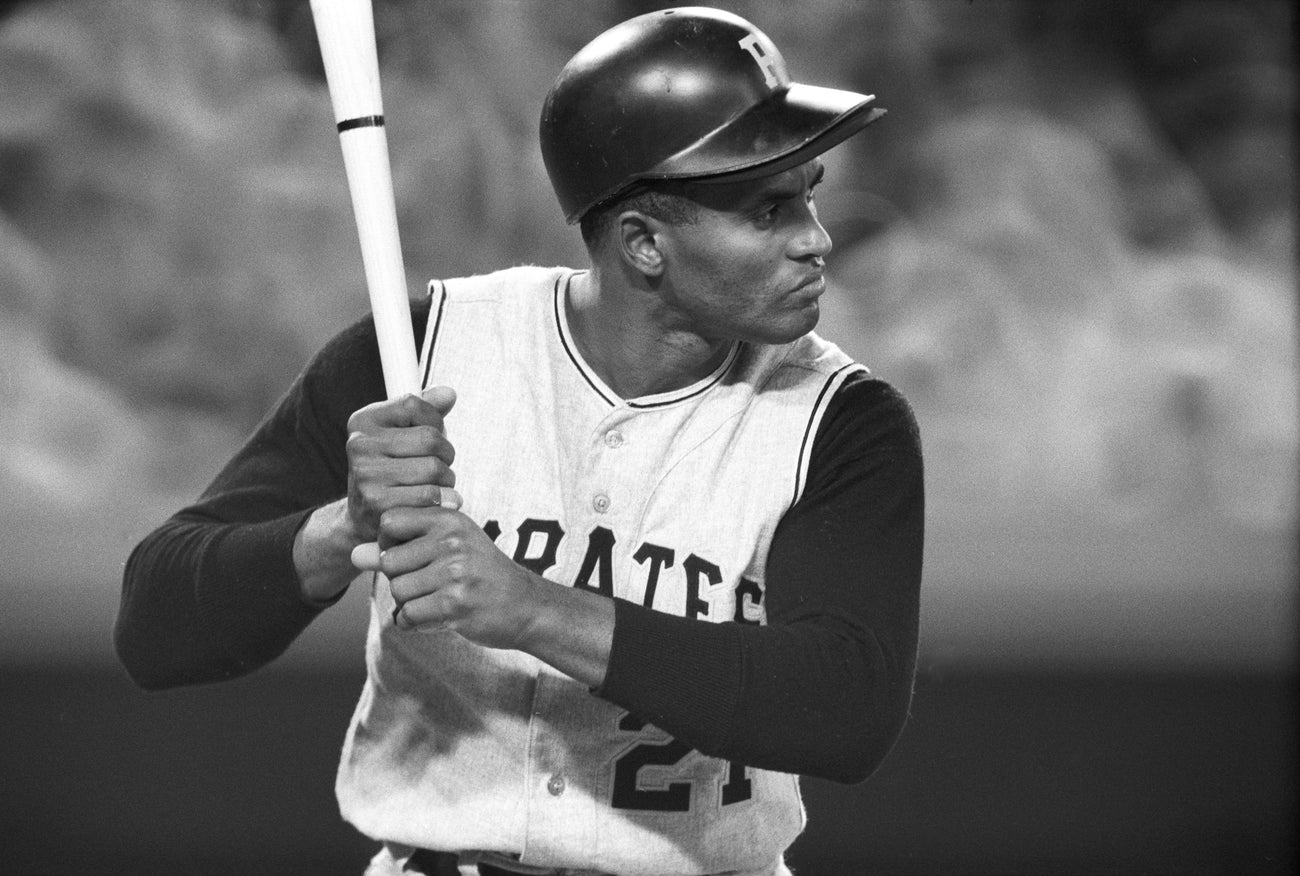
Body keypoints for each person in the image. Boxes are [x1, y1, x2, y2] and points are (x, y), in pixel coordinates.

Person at [115, 7, 923, 876]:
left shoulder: (842, 420)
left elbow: (846, 707)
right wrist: (340, 530)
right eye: (769, 210)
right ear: (644, 245)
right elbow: (155, 626)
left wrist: (532, 609)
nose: (815, 239)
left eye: (808, 193)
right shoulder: (421, 353)